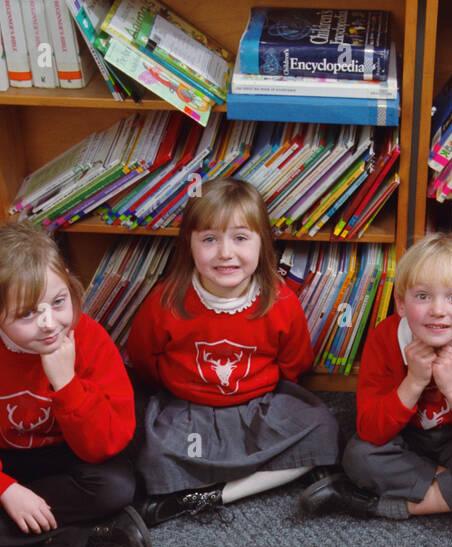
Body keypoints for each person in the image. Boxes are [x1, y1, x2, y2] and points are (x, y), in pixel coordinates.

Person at [0, 221, 148, 547]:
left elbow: (105, 444)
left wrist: (67, 384)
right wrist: (3, 489)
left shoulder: (90, 337)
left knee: (115, 486)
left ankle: (10, 535)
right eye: (26, 313)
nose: (49, 323)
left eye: (58, 302)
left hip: (66, 456)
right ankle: (73, 537)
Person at [123, 179, 339, 526]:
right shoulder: (167, 299)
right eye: (210, 239)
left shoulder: (280, 299)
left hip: (258, 410)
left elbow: (295, 362)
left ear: (261, 243)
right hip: (188, 412)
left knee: (325, 429)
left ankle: (211, 495)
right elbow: (144, 356)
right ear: (190, 245)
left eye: (240, 238)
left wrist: (268, 401)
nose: (225, 253)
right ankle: (245, 477)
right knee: (150, 453)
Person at [300, 232, 452, 530]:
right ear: (401, 303)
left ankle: (377, 506)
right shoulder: (383, 339)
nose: (438, 311)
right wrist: (413, 382)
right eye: (422, 296)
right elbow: (370, 430)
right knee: (357, 456)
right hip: (404, 438)